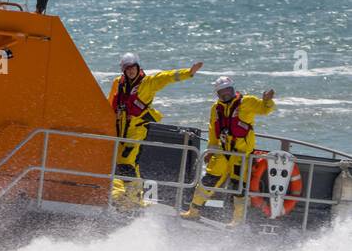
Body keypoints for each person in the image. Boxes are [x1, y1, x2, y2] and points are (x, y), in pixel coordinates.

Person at [108, 52, 203, 208]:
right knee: (121, 164)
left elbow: (167, 77)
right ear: (123, 70)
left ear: (138, 67)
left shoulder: (149, 82)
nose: (130, 71)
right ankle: (132, 197)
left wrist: (189, 72)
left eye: (133, 67)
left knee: (126, 162)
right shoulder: (119, 83)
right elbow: (110, 102)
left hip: (136, 130)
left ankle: (130, 199)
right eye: (127, 68)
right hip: (120, 129)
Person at [181, 76, 277, 224]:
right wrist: (210, 150)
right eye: (221, 91)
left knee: (238, 187)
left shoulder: (248, 102)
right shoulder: (216, 108)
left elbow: (265, 110)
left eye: (227, 89)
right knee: (208, 181)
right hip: (222, 152)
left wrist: (267, 101)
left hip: (241, 155)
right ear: (217, 93)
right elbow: (213, 131)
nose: (225, 93)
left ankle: (237, 221)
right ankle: (193, 211)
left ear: (233, 89)